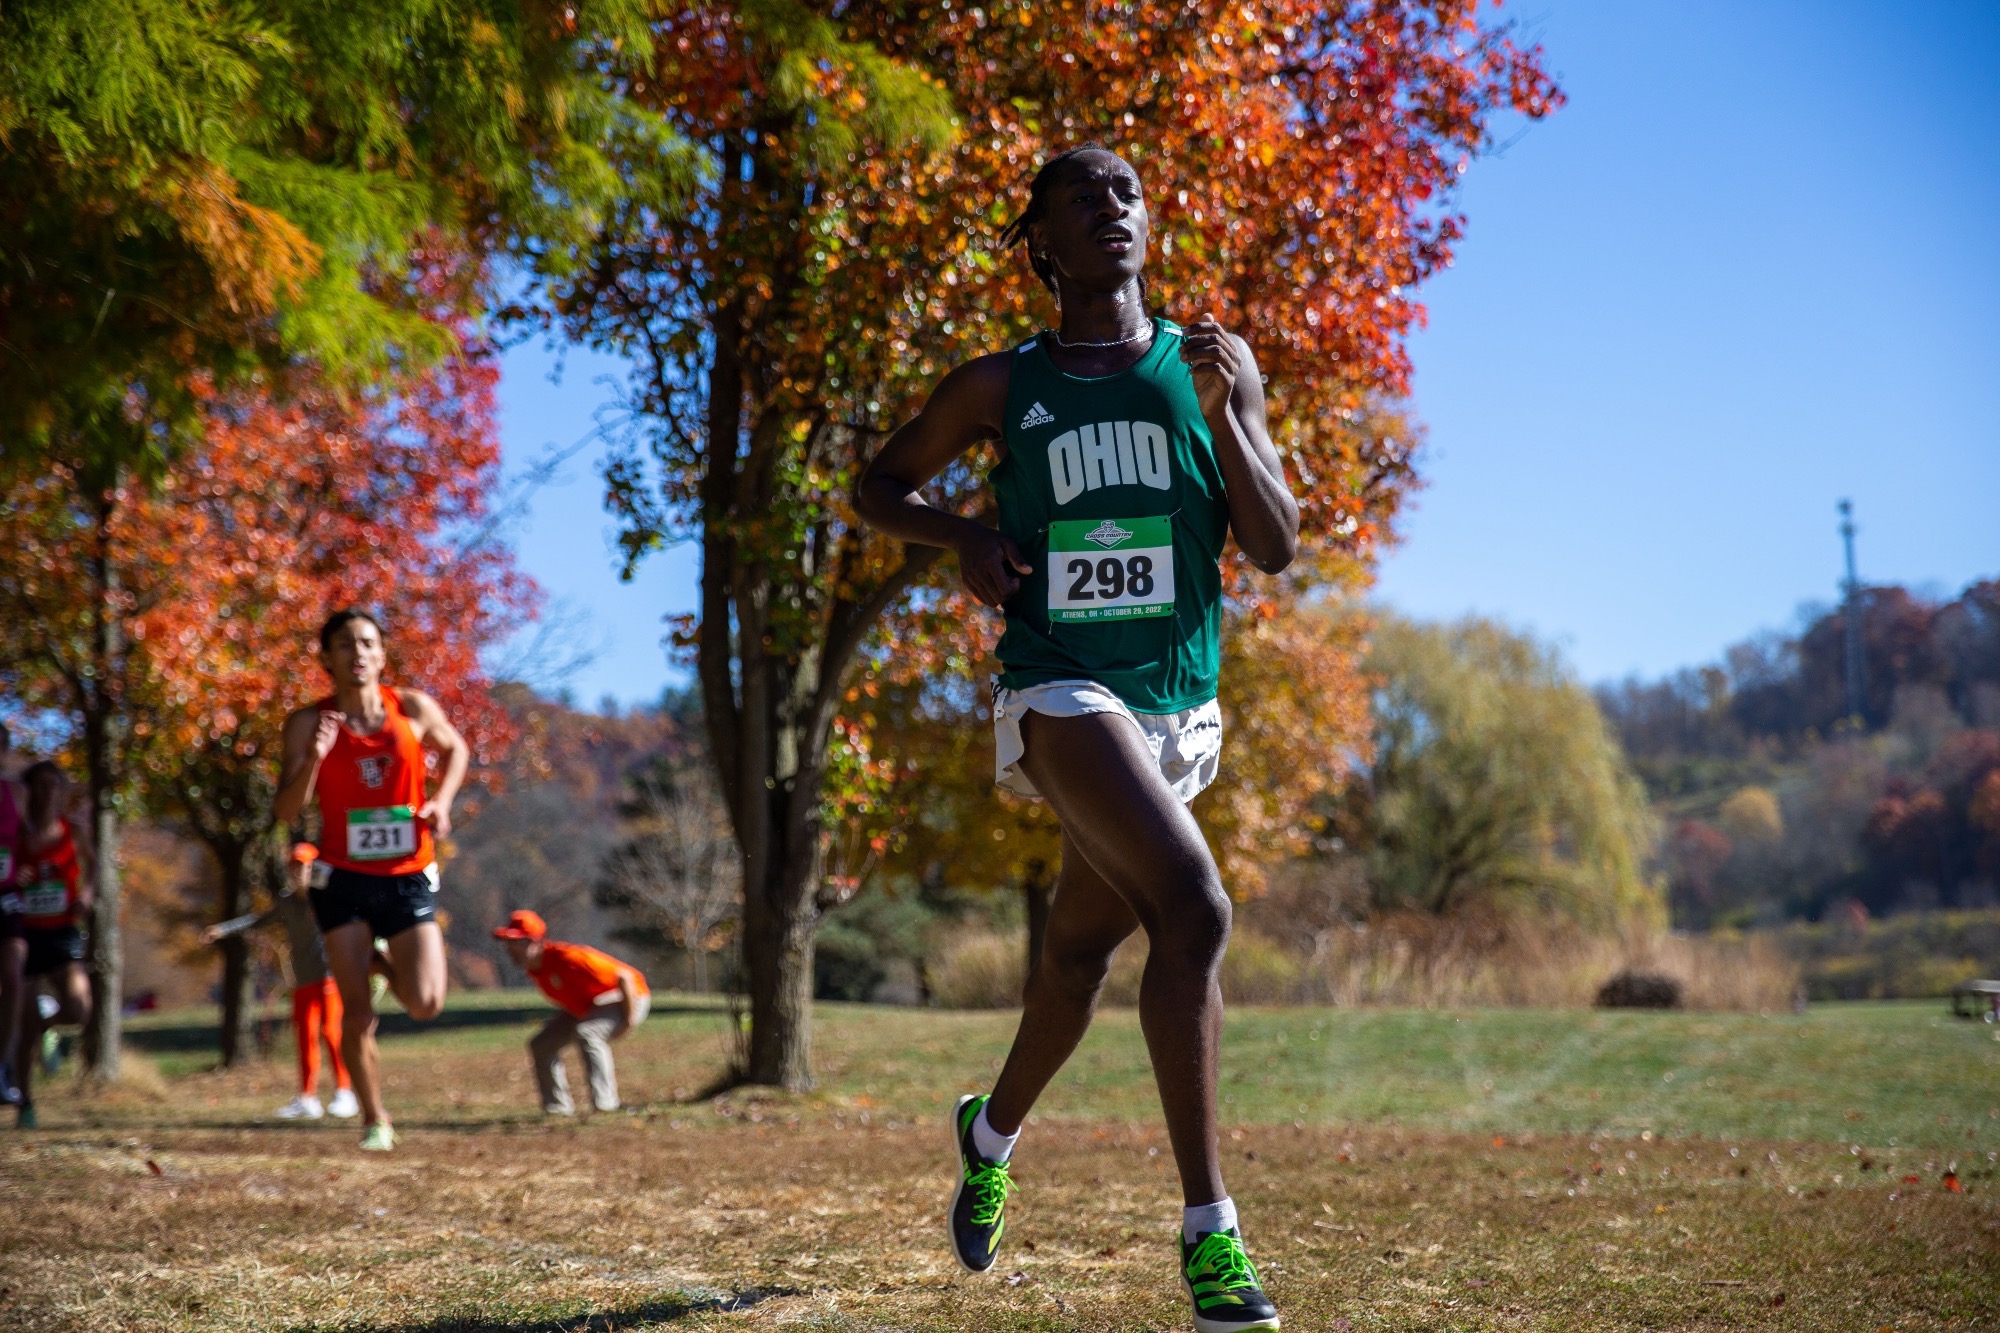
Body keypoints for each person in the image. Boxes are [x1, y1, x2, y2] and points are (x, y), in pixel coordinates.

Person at [856, 145, 1297, 1331]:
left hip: (1174, 709)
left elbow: (1271, 542)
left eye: (1129, 193)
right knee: (1196, 911)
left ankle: (987, 1135)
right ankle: (1212, 1241)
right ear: (1040, 241)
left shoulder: (1206, 364)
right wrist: (959, 538)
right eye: (1083, 195)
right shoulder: (1001, 386)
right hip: (1056, 690)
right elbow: (875, 485)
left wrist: (1232, 415)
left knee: (1070, 966)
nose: (1113, 207)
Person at [273, 608, 470, 1152]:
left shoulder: (410, 707)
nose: (356, 653)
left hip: (408, 874)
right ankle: (375, 1119)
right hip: (343, 880)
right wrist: (313, 760)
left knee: (426, 1002)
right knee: (357, 1013)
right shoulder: (308, 723)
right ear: (327, 658)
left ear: (382, 655)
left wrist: (441, 802)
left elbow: (457, 749)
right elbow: (287, 811)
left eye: (367, 643)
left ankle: (378, 959)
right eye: (344, 644)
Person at [201, 843, 358, 1120]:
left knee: (332, 1035)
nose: (299, 872)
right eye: (294, 867)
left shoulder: (328, 897)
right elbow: (259, 920)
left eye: (304, 866)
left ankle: (344, 1093)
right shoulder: (287, 901)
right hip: (302, 979)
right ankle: (307, 1099)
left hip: (329, 978)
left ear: (314, 869)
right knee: (305, 1036)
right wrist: (223, 930)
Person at [492, 910, 650, 1116]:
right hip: (590, 1006)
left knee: (588, 1032)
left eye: (516, 942)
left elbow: (625, 978)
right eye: (507, 942)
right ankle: (557, 1108)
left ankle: (606, 1104)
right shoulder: (535, 968)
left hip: (629, 997)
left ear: (535, 942)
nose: (510, 949)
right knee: (541, 1044)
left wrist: (628, 1022)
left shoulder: (571, 958)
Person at [10, 760, 96, 1128]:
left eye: (55, 786)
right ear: (29, 791)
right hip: (24, 933)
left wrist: (87, 896)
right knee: (25, 1026)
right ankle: (25, 1102)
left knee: (78, 1009)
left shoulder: (72, 830)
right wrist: (18, 876)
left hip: (61, 931)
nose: (48, 793)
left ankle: (49, 1027)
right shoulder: (15, 831)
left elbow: (93, 867)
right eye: (42, 786)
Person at [0, 723, 29, 1106]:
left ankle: (3, 1064)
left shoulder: (15, 793)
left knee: (13, 978)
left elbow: (29, 840)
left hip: (7, 896)